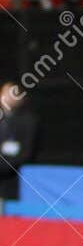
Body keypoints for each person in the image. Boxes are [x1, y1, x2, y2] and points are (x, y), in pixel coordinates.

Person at [0, 81, 38, 215]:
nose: (9, 97)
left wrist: (4, 166)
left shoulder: (29, 121)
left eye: (14, 94)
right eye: (6, 93)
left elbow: (27, 153)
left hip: (16, 180)